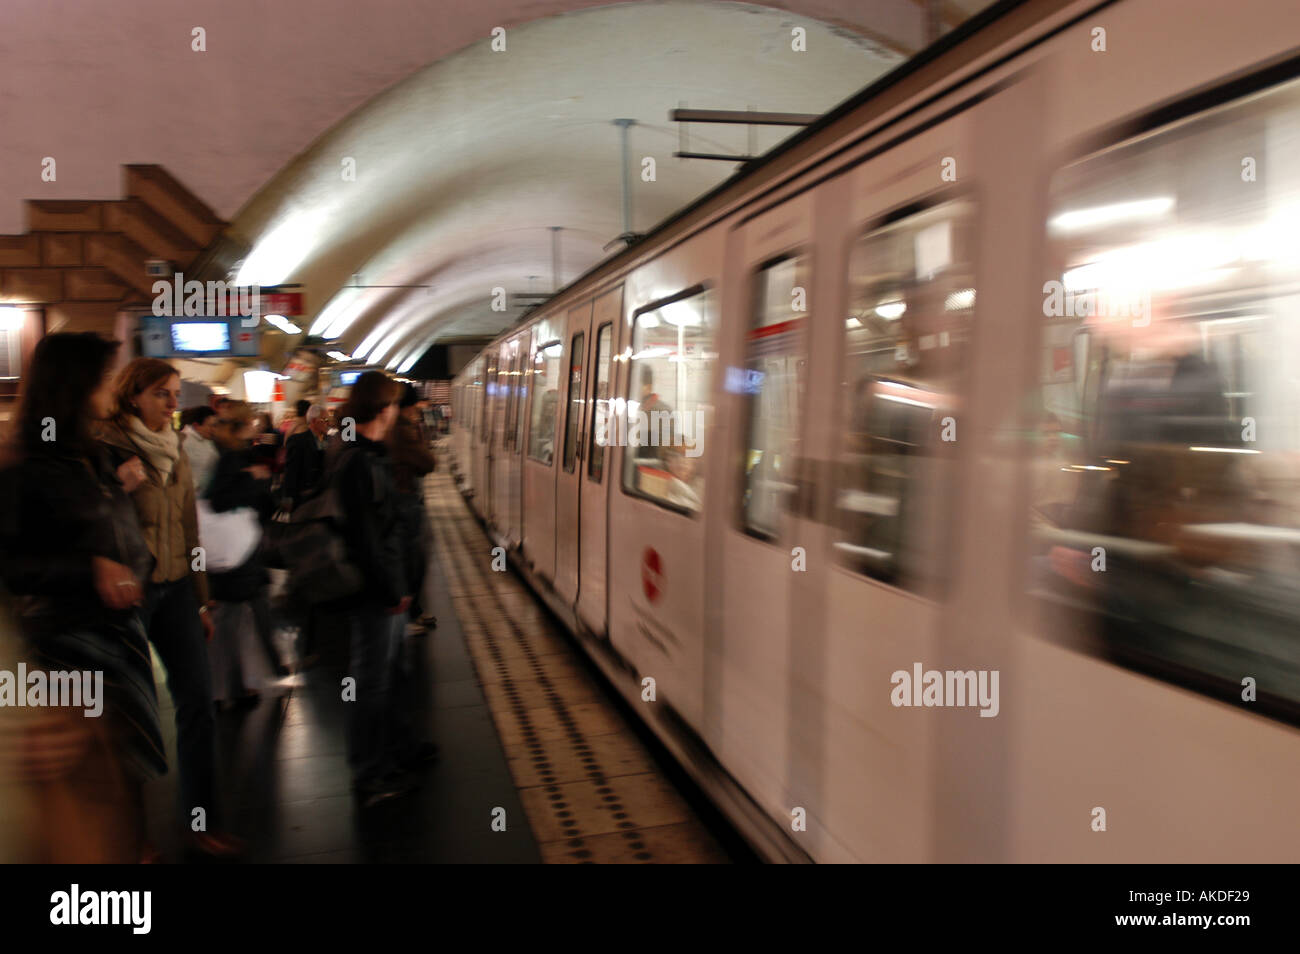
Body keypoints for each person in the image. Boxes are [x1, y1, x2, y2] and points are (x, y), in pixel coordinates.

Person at [0, 333, 163, 862]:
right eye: (101, 380)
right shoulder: (27, 470)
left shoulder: (92, 459)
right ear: (76, 386)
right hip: (69, 642)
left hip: (119, 634)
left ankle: (132, 854)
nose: (108, 391)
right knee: (86, 777)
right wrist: (87, 568)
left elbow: (121, 540)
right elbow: (11, 566)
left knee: (126, 762)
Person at [98, 358, 244, 859]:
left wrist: (203, 600)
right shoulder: (106, 446)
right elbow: (87, 519)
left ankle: (201, 821)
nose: (172, 402)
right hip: (132, 593)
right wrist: (118, 489)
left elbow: (188, 527)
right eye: (162, 393)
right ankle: (131, 837)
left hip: (179, 587)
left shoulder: (176, 449)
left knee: (197, 703)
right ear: (134, 394)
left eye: (176, 393)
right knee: (128, 715)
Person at [330, 372, 420, 807]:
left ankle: (393, 754)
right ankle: (369, 774)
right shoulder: (359, 462)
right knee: (370, 682)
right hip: (373, 592)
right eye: (393, 407)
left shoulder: (361, 455)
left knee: (390, 674)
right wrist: (392, 592)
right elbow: (367, 540)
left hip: (383, 586)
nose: (396, 415)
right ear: (383, 410)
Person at [204, 404, 276, 707]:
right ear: (242, 426)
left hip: (240, 549)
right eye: (252, 422)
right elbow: (220, 500)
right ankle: (230, 689)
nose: (257, 426)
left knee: (238, 618)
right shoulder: (232, 458)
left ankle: (241, 683)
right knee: (234, 620)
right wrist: (255, 479)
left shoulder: (229, 453)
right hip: (237, 550)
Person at [389, 385, 437, 634]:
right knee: (414, 557)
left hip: (397, 498)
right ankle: (407, 617)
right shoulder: (403, 429)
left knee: (409, 556)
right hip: (405, 499)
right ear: (411, 406)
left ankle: (411, 613)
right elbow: (427, 462)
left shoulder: (390, 426)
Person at [281, 404, 329, 512]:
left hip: (321, 498)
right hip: (304, 497)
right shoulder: (298, 441)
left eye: (329, 420)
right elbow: (291, 472)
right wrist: (288, 498)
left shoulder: (329, 441)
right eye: (324, 420)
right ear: (313, 421)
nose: (328, 423)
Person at [180, 406, 219, 497]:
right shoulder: (184, 442)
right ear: (196, 425)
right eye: (210, 426)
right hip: (192, 498)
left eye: (215, 425)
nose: (213, 430)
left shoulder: (207, 440)